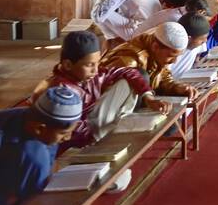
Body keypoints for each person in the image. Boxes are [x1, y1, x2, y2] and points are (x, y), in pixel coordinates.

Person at [25, 29, 166, 150]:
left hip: (95, 125)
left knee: (132, 78)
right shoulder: (58, 90)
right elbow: (67, 129)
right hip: (72, 139)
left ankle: (112, 131)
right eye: (90, 65)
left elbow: (129, 72)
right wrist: (94, 136)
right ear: (68, 65)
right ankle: (107, 137)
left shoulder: (94, 75)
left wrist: (149, 98)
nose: (95, 70)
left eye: (97, 63)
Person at [0, 86, 83, 205]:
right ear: (39, 128)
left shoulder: (33, 120)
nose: (67, 138)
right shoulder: (33, 154)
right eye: (64, 133)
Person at [100, 22, 199, 100]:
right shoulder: (130, 61)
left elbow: (162, 75)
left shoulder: (157, 49)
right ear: (155, 47)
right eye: (171, 56)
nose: (174, 61)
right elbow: (108, 97)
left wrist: (176, 87)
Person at [169, 9, 213, 80]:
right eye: (202, 39)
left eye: (206, 37)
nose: (205, 41)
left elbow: (198, 55)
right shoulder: (170, 52)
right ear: (188, 38)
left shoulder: (197, 43)